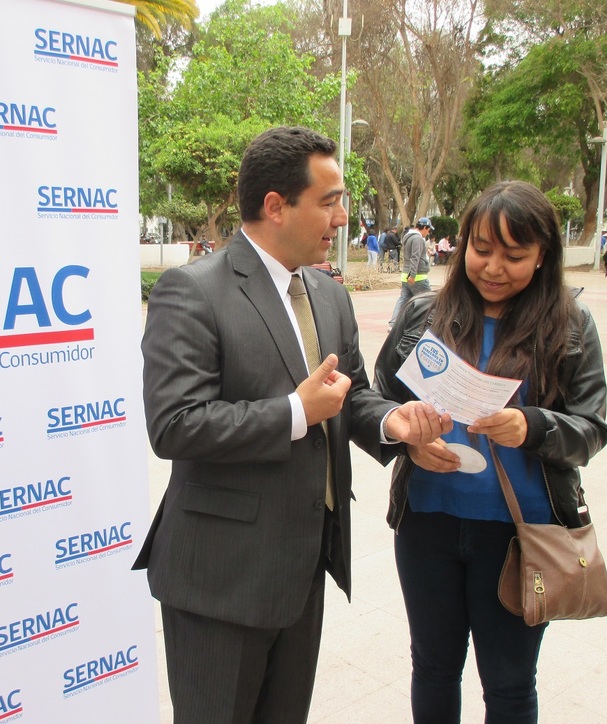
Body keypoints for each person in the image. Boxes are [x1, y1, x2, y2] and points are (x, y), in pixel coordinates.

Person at [134, 126, 452, 723]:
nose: (342, 217)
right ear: (275, 206)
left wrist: (394, 423)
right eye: (329, 201)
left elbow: (349, 396)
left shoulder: (328, 296)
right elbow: (174, 424)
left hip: (303, 564)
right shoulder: (193, 291)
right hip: (219, 580)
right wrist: (293, 413)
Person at [373, 180, 607, 724]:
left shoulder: (570, 326)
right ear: (462, 246)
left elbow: (591, 429)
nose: (494, 268)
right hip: (427, 524)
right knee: (432, 667)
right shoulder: (422, 315)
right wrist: (407, 435)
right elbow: (377, 397)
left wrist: (531, 426)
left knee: (507, 684)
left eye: (515, 255)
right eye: (482, 249)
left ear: (543, 256)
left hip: (519, 536)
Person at [387, 217, 434, 330]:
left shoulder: (408, 237)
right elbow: (415, 257)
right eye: (428, 230)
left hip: (406, 274)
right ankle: (428, 325)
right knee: (428, 301)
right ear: (424, 228)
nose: (428, 233)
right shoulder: (417, 239)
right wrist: (412, 275)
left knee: (403, 300)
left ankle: (393, 324)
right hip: (417, 277)